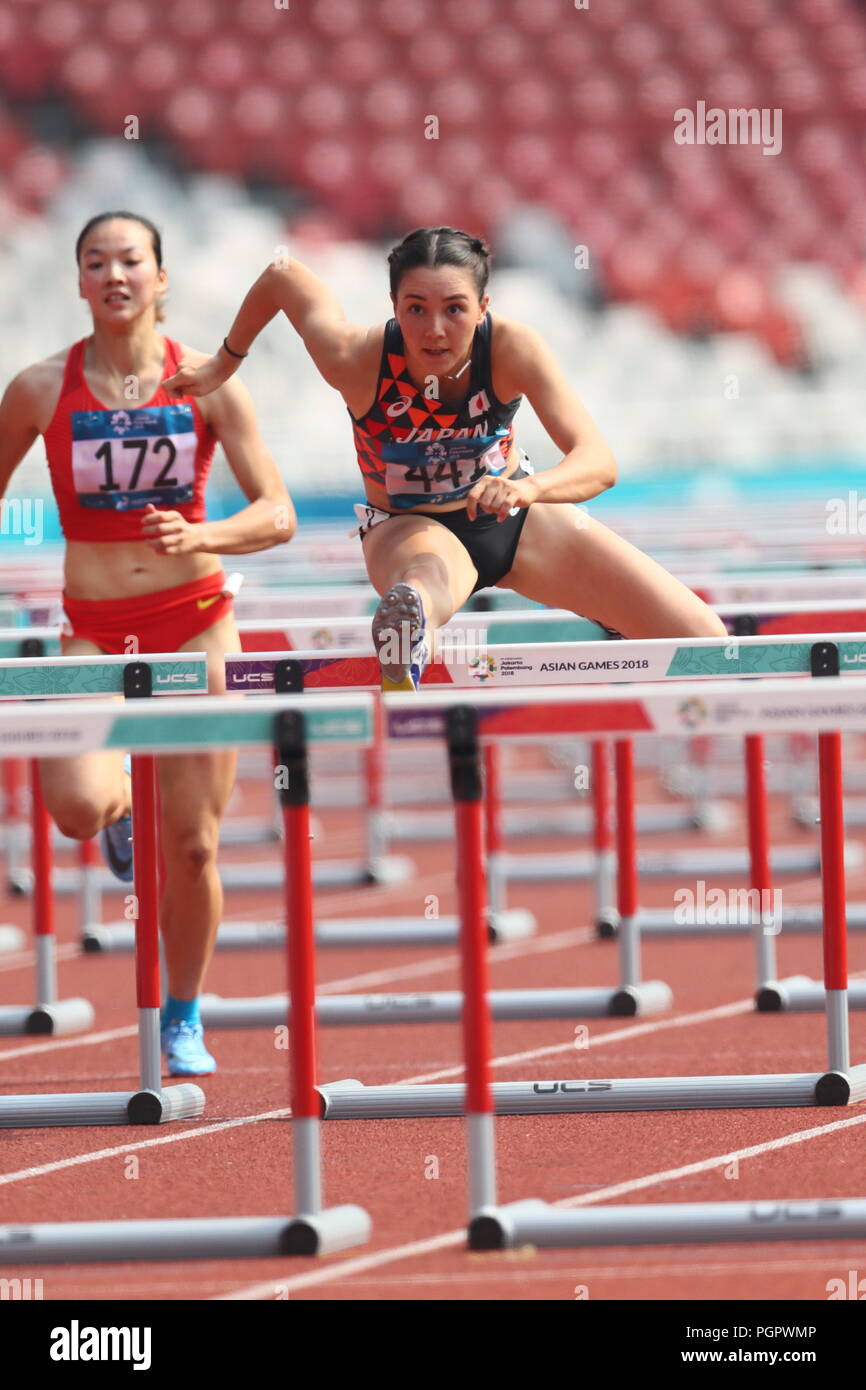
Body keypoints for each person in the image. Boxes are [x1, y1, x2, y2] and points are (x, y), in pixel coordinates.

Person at [165, 225, 727, 688]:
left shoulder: (511, 349)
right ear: (393, 306)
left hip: (519, 520)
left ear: (484, 306)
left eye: (455, 309)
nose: (434, 331)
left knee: (706, 642)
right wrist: (224, 361)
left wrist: (528, 489)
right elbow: (283, 275)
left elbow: (598, 461)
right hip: (408, 525)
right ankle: (407, 631)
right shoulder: (357, 358)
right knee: (426, 580)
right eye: (416, 309)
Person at [0, 211, 296, 1075]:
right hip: (94, 634)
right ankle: (122, 810)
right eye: (97, 262)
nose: (115, 274)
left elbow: (274, 511)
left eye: (132, 260)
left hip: (196, 622)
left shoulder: (208, 382)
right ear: (81, 282)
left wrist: (206, 538)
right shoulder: (39, 389)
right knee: (75, 809)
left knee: (196, 845)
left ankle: (183, 1012)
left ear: (161, 278)